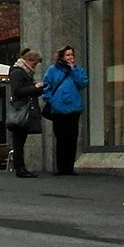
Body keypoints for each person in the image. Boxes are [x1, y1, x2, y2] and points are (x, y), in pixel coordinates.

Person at [42, 46, 89, 175]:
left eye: (72, 55)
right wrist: (51, 101)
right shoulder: (52, 70)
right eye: (67, 55)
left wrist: (73, 70)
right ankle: (61, 167)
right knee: (61, 138)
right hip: (58, 109)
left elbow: (83, 83)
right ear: (62, 56)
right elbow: (47, 86)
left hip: (73, 108)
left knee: (72, 138)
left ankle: (70, 167)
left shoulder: (77, 69)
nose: (70, 57)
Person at [7, 47, 44, 178]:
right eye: (34, 63)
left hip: (23, 108)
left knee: (20, 140)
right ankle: (20, 167)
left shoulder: (23, 72)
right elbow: (17, 91)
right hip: (21, 110)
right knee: (18, 141)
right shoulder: (18, 72)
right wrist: (34, 87)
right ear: (29, 60)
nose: (35, 67)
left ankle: (20, 166)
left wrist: (38, 89)